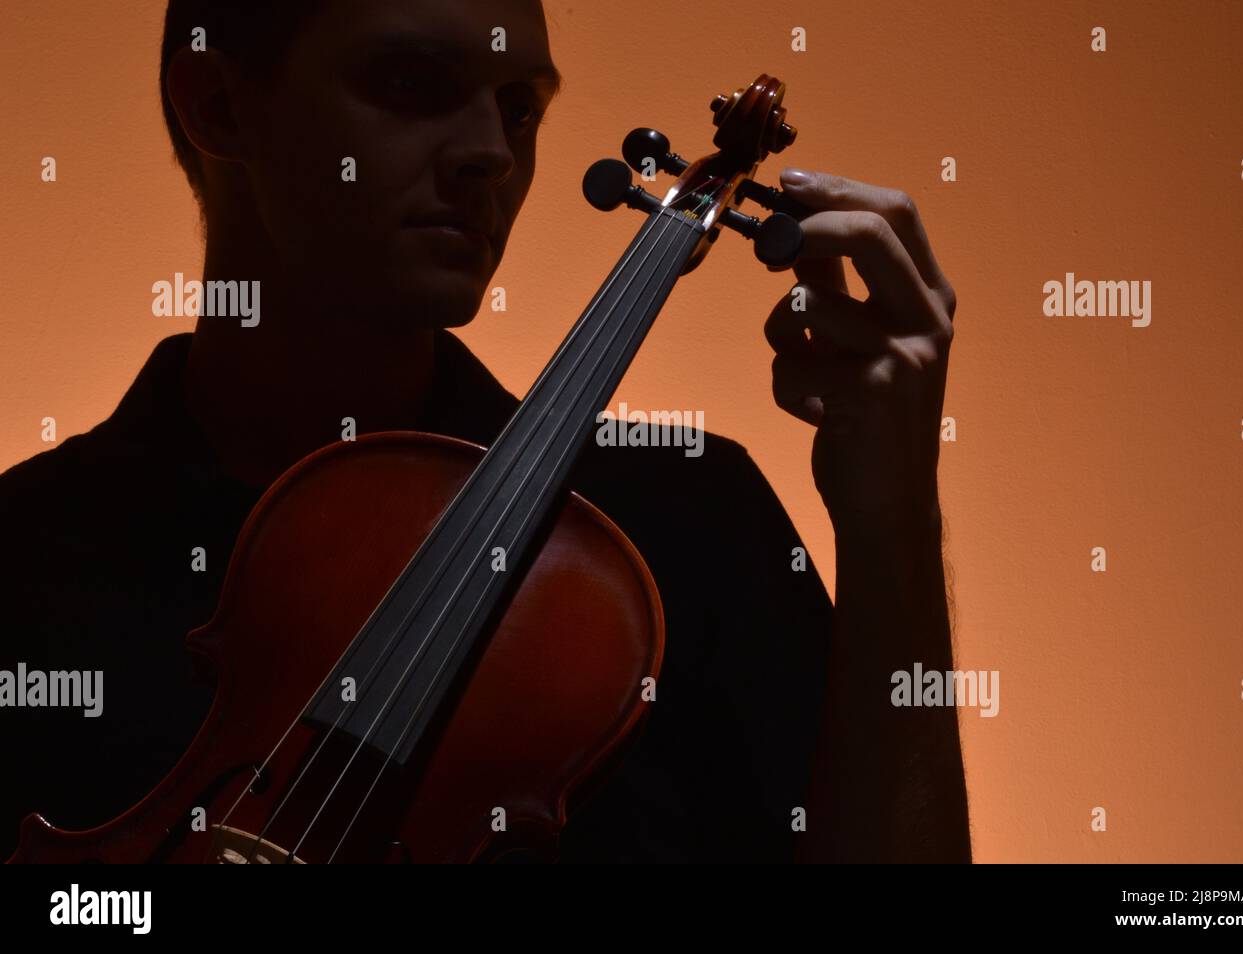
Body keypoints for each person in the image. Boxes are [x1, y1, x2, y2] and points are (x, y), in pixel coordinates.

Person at [0, 0, 968, 863]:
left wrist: (891, 527)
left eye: (519, 109)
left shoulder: (681, 523)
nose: (491, 154)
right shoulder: (23, 550)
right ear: (217, 106)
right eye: (414, 86)